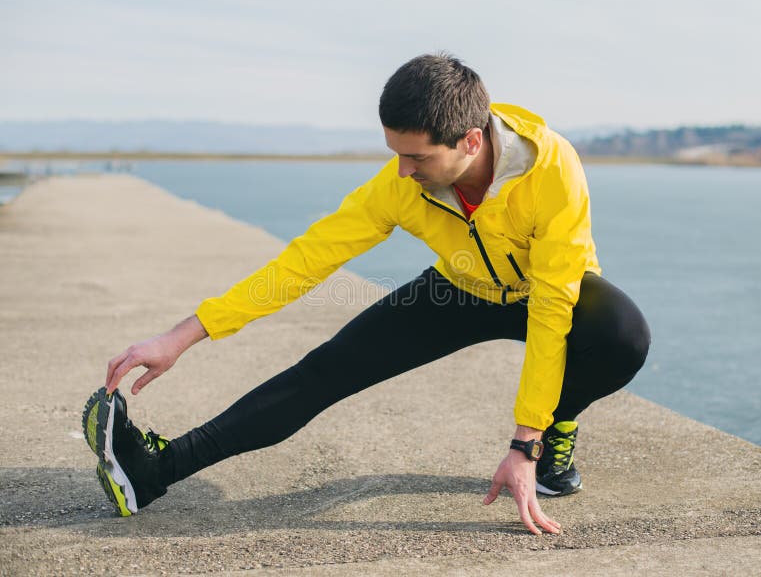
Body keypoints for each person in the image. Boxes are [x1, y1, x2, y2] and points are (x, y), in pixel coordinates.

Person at [82, 53, 650, 535]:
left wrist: (526, 441)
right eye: (395, 153)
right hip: (458, 291)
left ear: (470, 140)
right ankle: (154, 470)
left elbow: (552, 305)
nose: (401, 171)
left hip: (553, 295)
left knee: (622, 335)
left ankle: (560, 431)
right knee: (322, 372)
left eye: (417, 157)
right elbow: (306, 260)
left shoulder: (552, 168)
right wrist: (183, 336)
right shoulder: (399, 183)